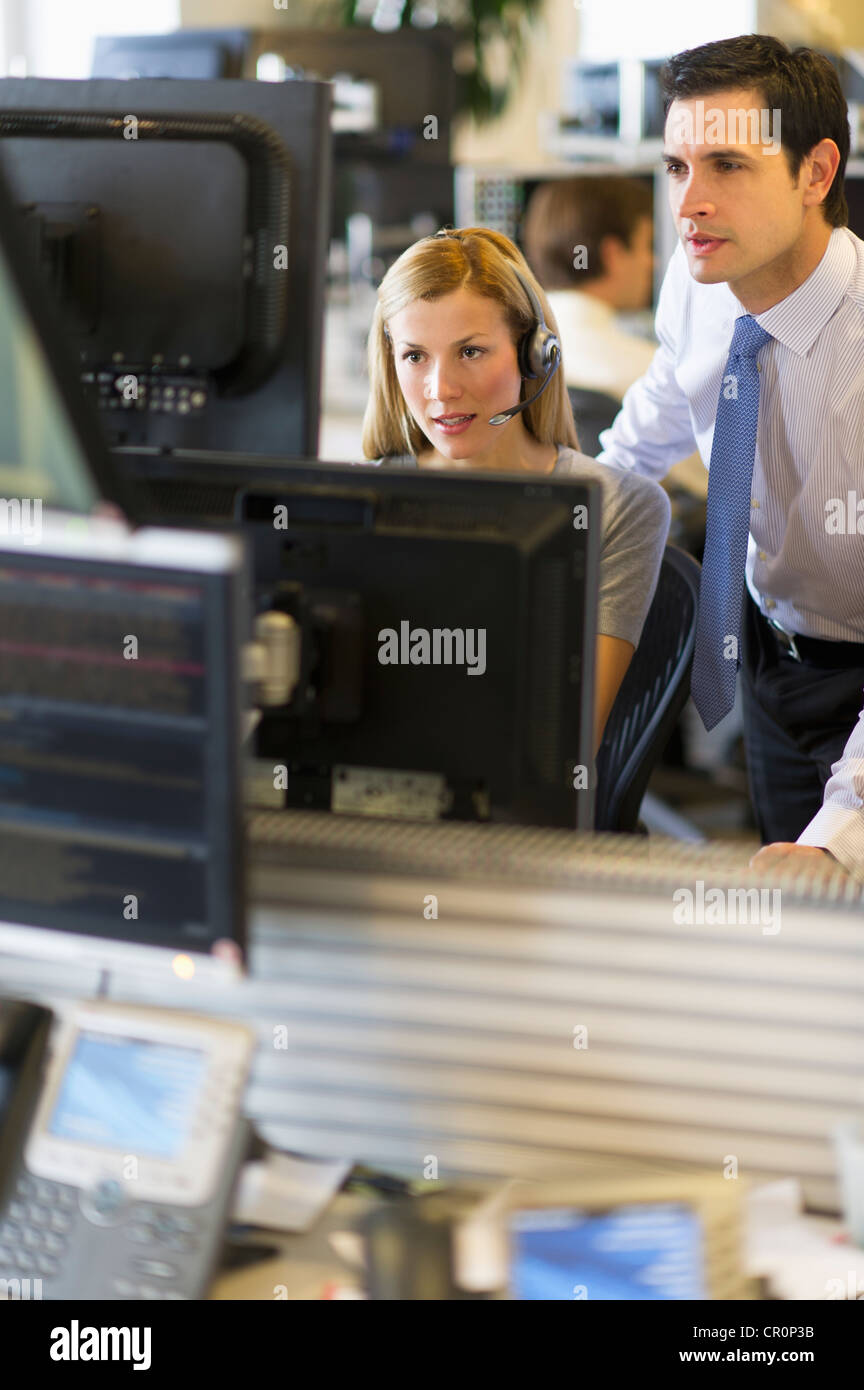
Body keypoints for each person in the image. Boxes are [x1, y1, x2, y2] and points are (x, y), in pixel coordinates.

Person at [595, 34, 864, 878]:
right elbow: (644, 438)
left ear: (816, 173)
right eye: (677, 168)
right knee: (797, 940)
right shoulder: (699, 280)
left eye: (727, 166)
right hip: (770, 660)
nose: (689, 204)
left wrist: (841, 838)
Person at [360, 225, 671, 755]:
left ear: (535, 356)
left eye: (471, 352)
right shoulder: (357, 501)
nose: (441, 389)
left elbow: (564, 744)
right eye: (415, 356)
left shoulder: (618, 507)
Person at [522, 175, 707, 504]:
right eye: (646, 245)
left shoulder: (507, 356)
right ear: (612, 254)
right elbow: (714, 478)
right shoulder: (649, 370)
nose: (653, 262)